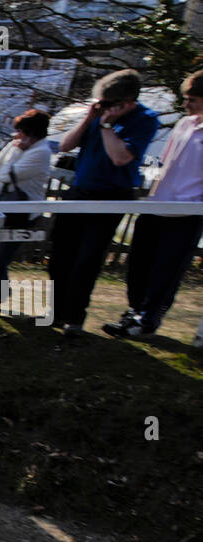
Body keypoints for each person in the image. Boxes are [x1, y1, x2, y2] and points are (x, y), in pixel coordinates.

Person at [48, 69, 159, 337]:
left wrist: (108, 126)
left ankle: (74, 320)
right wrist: (90, 118)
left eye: (110, 104)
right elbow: (65, 145)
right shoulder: (97, 115)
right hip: (80, 191)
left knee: (87, 260)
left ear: (129, 102)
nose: (104, 107)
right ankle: (56, 312)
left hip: (111, 195)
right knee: (60, 256)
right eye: (102, 102)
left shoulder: (145, 119)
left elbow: (120, 158)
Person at [105, 69, 203, 339]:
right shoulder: (184, 124)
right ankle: (133, 311)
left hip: (186, 212)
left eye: (192, 99)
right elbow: (165, 163)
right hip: (157, 204)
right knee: (139, 264)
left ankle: (147, 319)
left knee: (165, 270)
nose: (186, 104)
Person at [0, 109, 52, 293]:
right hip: (5, 206)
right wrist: (12, 148)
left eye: (20, 131)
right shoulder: (20, 146)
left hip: (23, 212)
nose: (16, 135)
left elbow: (6, 175)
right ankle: (1, 291)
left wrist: (15, 153)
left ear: (31, 133)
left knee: (0, 256)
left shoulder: (41, 152)